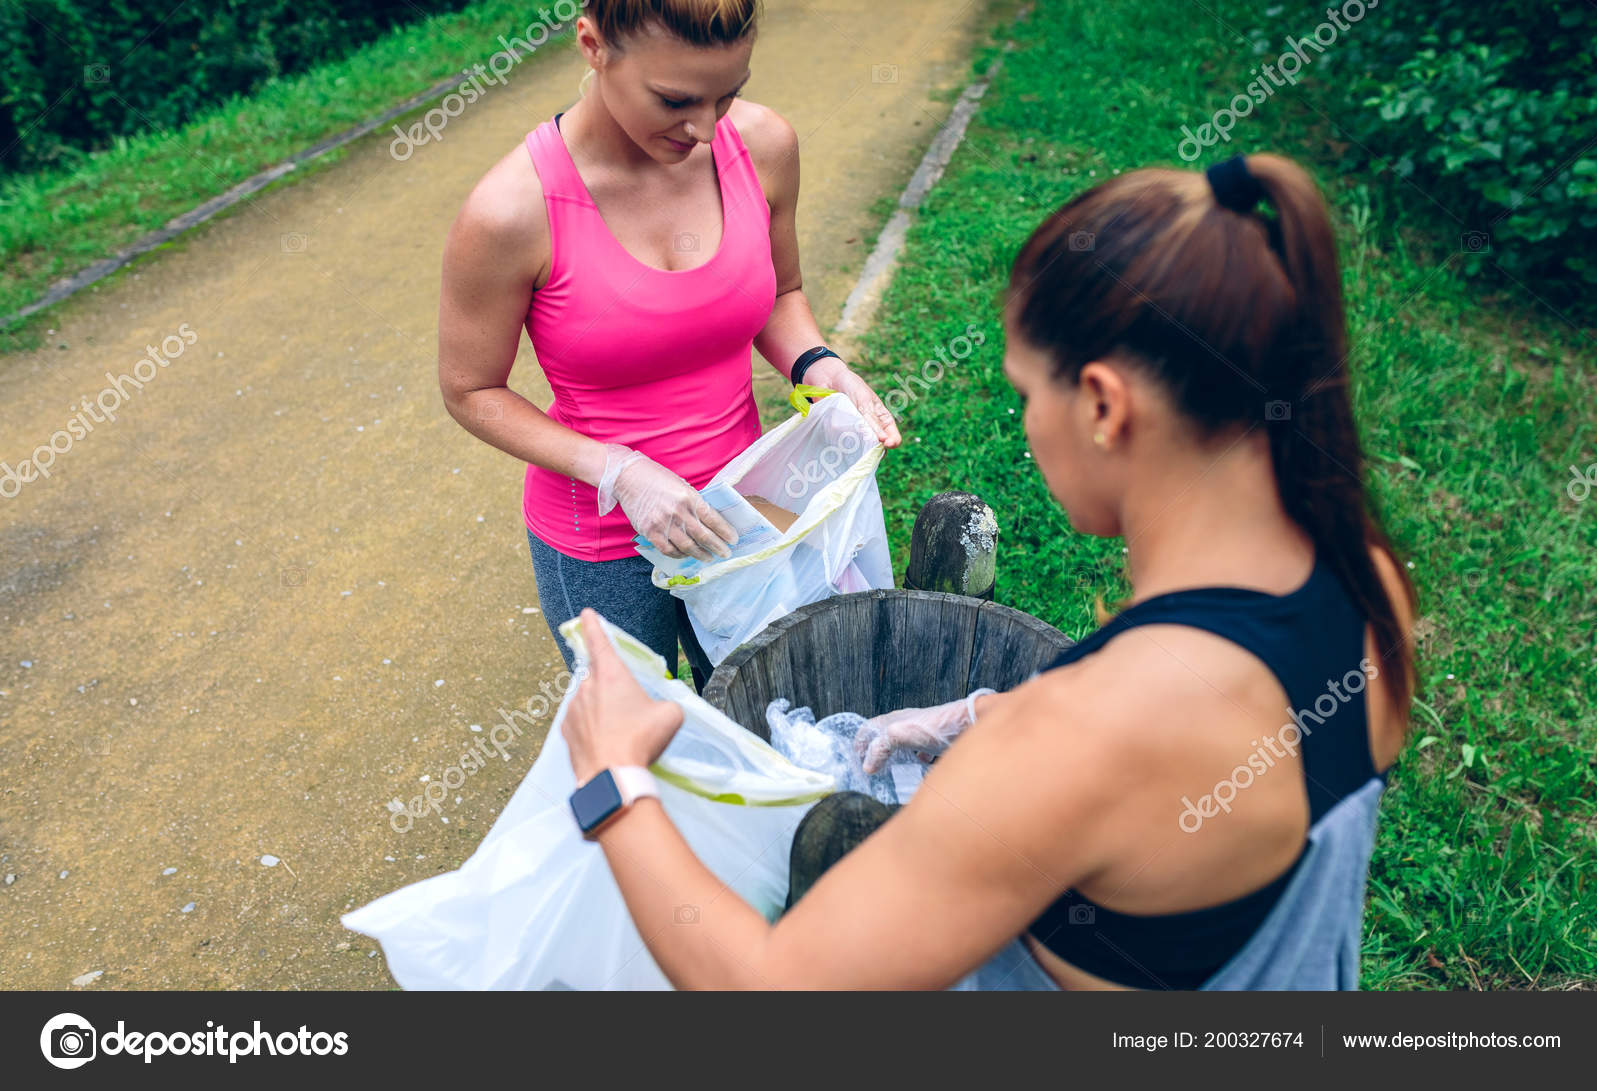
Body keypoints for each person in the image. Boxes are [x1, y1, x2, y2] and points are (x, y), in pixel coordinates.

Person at [556, 151, 1419, 989]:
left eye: (1026, 392)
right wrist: (982, 711)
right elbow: (1192, 773)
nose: (1027, 421)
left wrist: (614, 779)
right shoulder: (1363, 582)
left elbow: (773, 983)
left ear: (1103, 405)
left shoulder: (1078, 740)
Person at [437, 0, 901, 691]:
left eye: (729, 93)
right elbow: (470, 389)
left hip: (746, 513)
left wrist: (818, 363)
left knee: (777, 716)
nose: (706, 127)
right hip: (601, 546)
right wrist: (620, 472)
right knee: (644, 749)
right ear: (592, 45)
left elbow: (781, 294)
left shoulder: (764, 145)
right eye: (676, 99)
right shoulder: (511, 213)